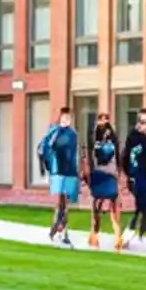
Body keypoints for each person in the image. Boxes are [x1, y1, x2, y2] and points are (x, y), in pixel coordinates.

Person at [37, 106, 80, 247]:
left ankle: (61, 231)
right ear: (61, 117)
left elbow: (75, 153)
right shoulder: (54, 132)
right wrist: (46, 166)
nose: (67, 120)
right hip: (58, 171)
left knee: (66, 204)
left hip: (70, 171)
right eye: (65, 117)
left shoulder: (73, 134)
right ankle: (57, 230)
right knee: (60, 203)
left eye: (69, 118)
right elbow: (44, 148)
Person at [122, 107, 146, 246]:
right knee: (140, 206)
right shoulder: (133, 137)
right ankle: (129, 234)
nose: (143, 124)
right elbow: (126, 157)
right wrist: (129, 175)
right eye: (141, 121)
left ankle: (141, 233)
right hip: (136, 177)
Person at [85, 113, 125, 250]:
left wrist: (119, 174)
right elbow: (90, 157)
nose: (104, 123)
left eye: (105, 120)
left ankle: (113, 236)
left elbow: (118, 156)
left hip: (107, 174)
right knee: (101, 205)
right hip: (102, 174)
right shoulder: (98, 138)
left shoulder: (109, 139)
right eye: (102, 120)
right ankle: (98, 235)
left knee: (107, 205)